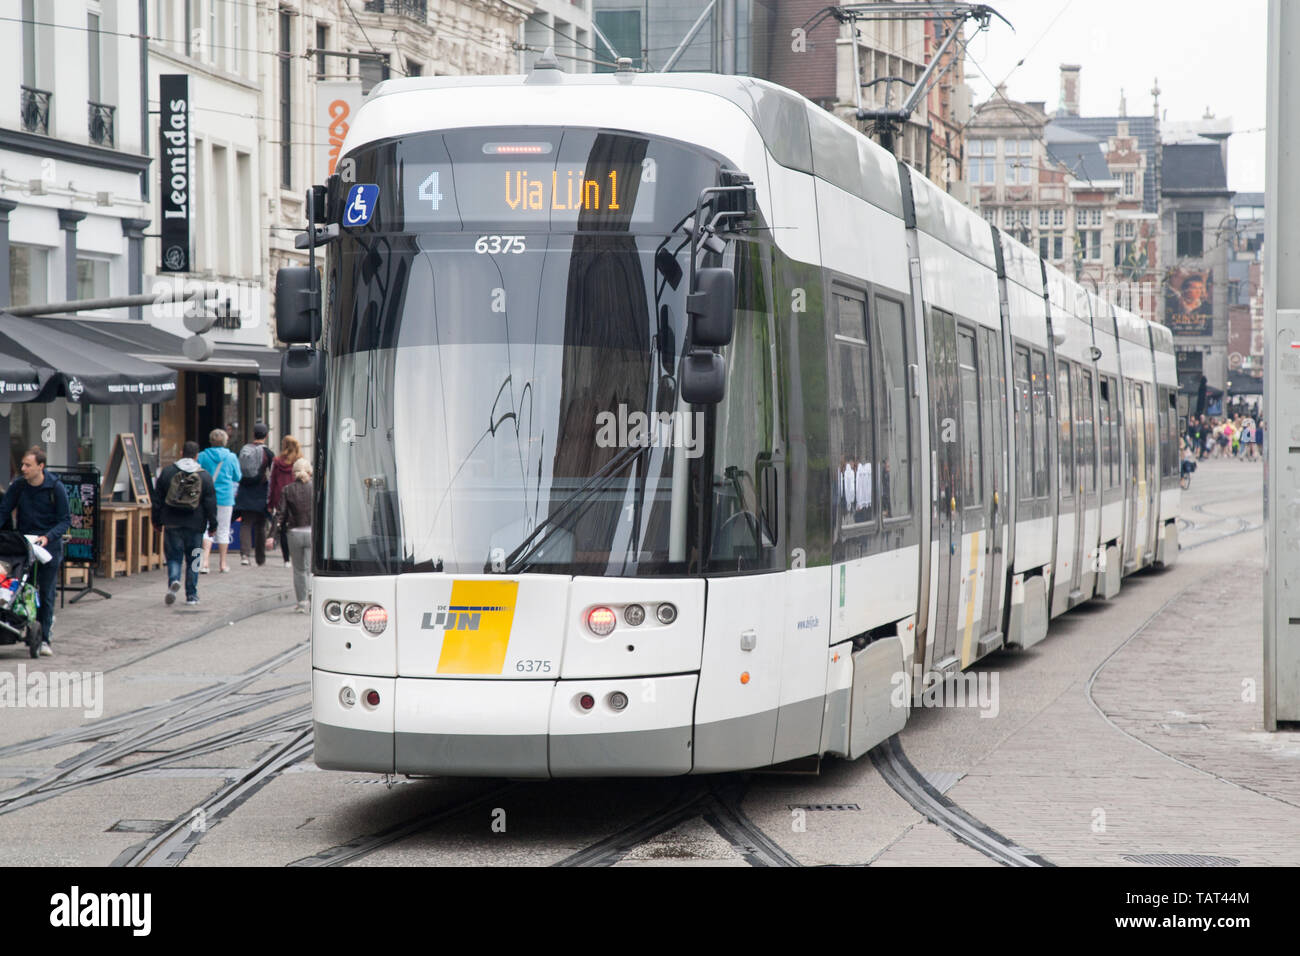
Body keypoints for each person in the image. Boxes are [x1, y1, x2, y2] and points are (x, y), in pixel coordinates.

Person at [0, 447, 69, 656]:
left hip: (48, 547)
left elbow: (65, 519)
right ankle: (25, 627)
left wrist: (48, 537)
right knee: (21, 589)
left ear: (41, 466)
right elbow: (4, 510)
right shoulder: (19, 486)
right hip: (23, 546)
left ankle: (45, 638)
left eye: (28, 465)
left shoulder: (55, 488)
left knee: (46, 592)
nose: (23, 468)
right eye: (22, 464)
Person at [152, 440, 217, 607]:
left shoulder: (167, 473)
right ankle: (192, 595)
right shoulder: (204, 476)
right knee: (194, 558)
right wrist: (213, 525)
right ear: (197, 456)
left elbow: (157, 500)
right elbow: (210, 503)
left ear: (181, 453)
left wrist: (156, 521)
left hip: (172, 522)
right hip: (196, 525)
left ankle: (174, 580)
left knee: (174, 557)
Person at [196, 428, 241, 574]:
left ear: (211, 441)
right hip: (225, 498)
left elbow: (196, 473)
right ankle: (222, 563)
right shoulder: (231, 457)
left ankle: (205, 562)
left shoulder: (202, 456)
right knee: (223, 529)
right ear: (225, 441)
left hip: (206, 496)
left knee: (205, 528)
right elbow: (237, 477)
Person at [234, 422, 274, 567]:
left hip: (245, 491)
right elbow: (273, 475)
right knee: (261, 525)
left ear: (253, 435)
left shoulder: (243, 451)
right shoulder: (268, 453)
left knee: (246, 523)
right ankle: (260, 558)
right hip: (261, 492)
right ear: (266, 435)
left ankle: (244, 555)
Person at [278, 457, 314, 613]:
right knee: (311, 569)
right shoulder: (316, 489)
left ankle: (302, 602)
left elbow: (281, 513)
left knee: (299, 569)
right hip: (313, 532)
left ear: (294, 473)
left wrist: (273, 534)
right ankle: (314, 596)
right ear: (310, 472)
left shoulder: (287, 489)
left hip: (294, 533)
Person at [268, 435, 302, 568]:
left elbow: (273, 482)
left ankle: (286, 559)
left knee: (282, 528)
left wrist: (270, 503)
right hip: (296, 496)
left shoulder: (277, 462)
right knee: (296, 527)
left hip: (280, 497)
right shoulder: (299, 461)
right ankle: (295, 556)